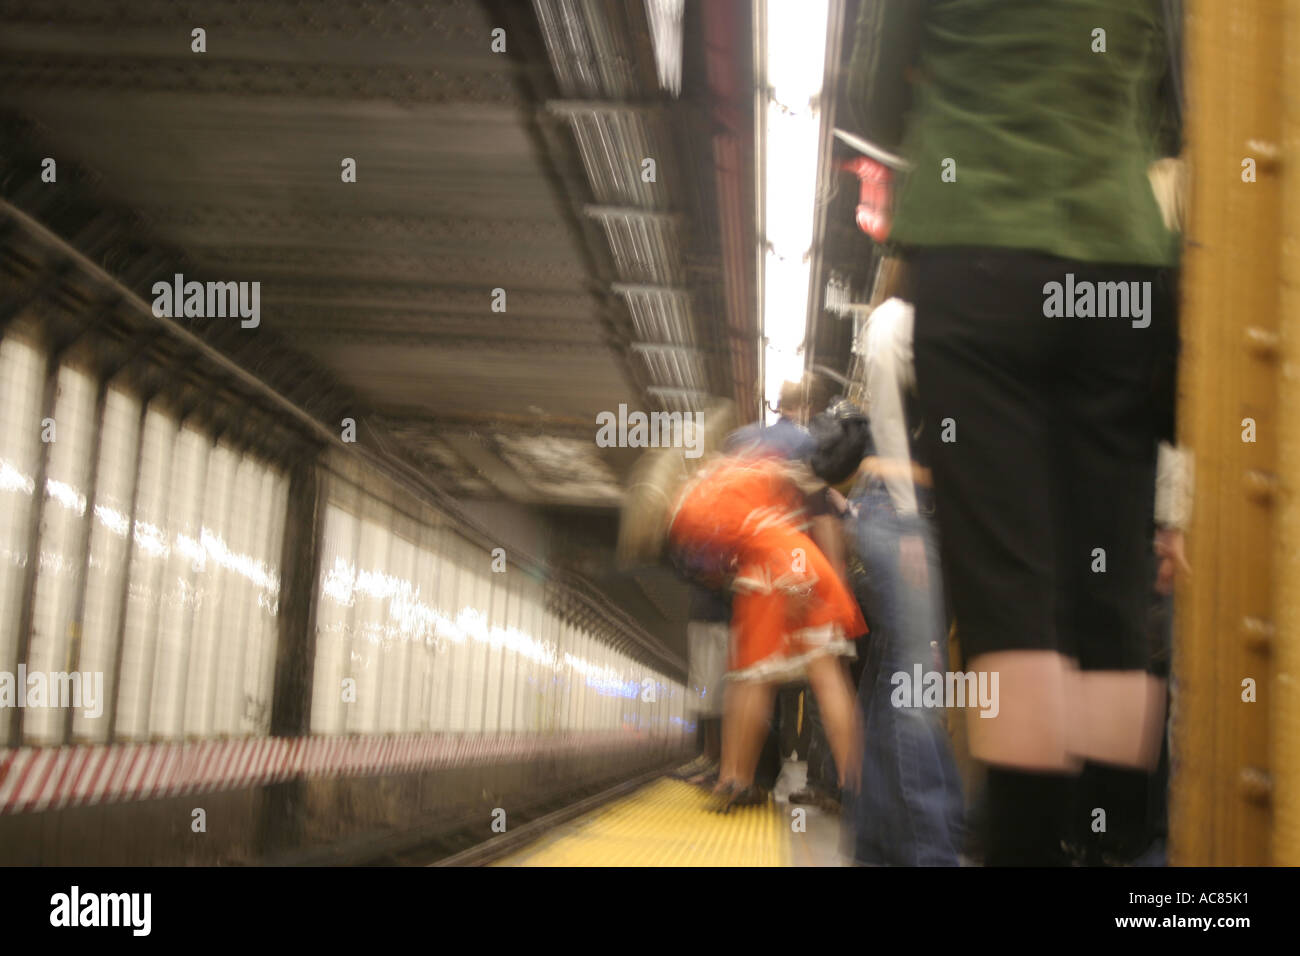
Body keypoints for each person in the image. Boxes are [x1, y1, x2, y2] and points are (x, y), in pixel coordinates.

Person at [847, 0, 1182, 864]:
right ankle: (1111, 846)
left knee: (1014, 603)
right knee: (1108, 591)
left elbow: (876, 100)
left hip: (982, 261)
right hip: (1120, 272)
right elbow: (1171, 106)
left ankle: (1027, 844)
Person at [668, 449, 866, 812]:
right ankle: (858, 791)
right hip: (797, 558)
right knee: (826, 676)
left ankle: (736, 780)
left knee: (749, 681)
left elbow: (702, 553)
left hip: (771, 571)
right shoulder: (749, 473)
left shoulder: (699, 502)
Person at [843, 299, 966, 865]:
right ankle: (931, 852)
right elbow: (893, 420)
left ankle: (875, 846)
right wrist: (912, 515)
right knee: (917, 690)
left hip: (904, 514)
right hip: (903, 517)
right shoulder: (910, 315)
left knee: (890, 686)